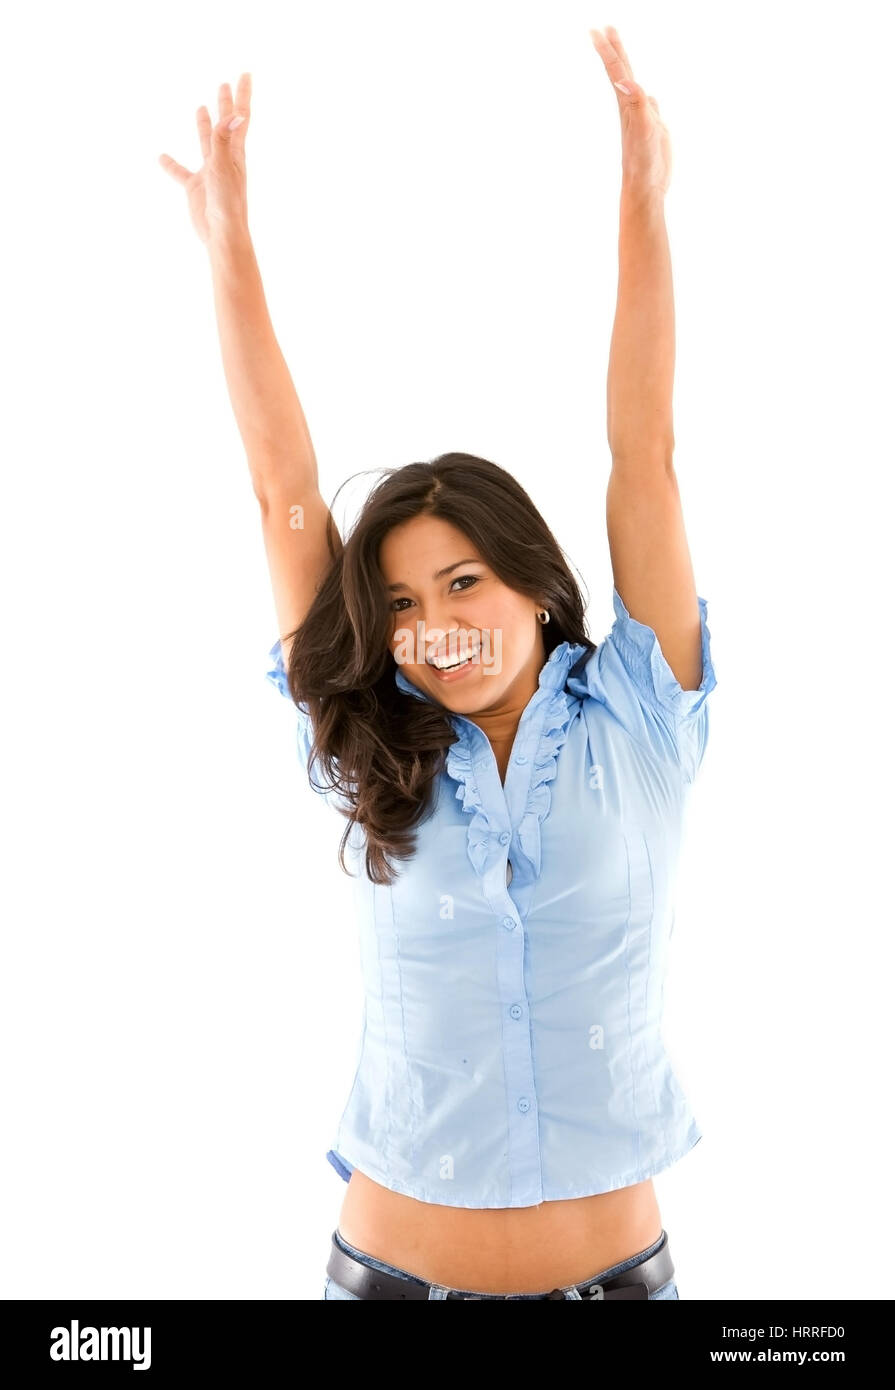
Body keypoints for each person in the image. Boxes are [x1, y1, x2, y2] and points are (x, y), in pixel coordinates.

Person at [159, 25, 716, 1302]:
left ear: (535, 580)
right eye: (403, 601)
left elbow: (647, 448)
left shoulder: (643, 707)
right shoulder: (358, 732)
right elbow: (280, 487)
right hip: (389, 1278)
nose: (434, 623)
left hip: (621, 1280)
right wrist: (228, 241)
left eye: (464, 581)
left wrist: (642, 198)